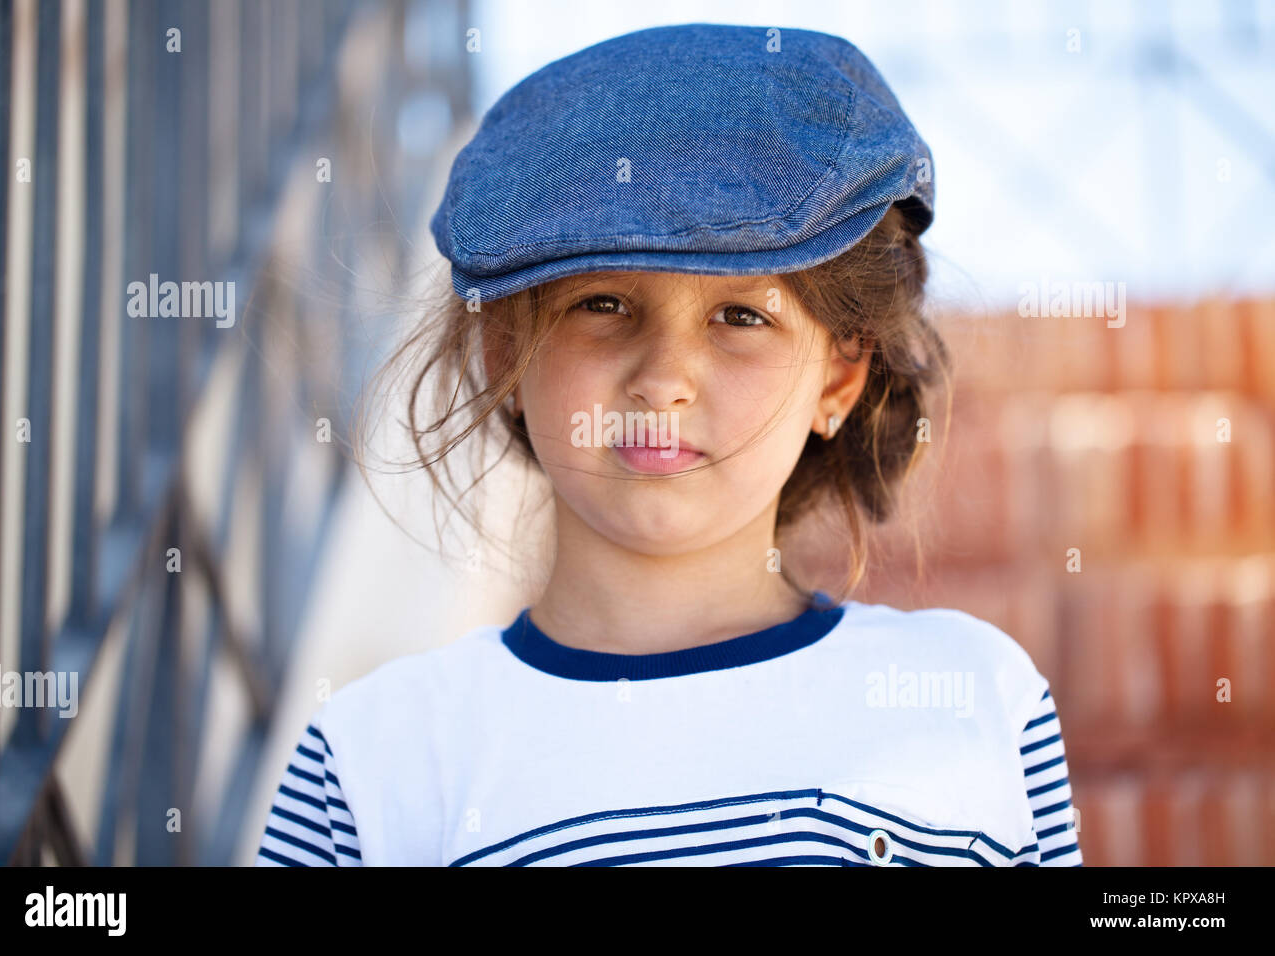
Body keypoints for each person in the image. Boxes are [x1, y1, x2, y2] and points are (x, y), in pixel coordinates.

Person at [255, 22, 1081, 867]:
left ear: (838, 381)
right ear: (505, 349)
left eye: (743, 317)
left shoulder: (974, 700)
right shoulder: (370, 764)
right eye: (604, 304)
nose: (664, 379)